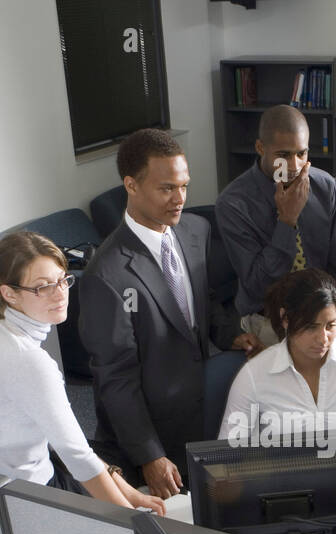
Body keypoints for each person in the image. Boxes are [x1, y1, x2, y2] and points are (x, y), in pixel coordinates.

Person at [0, 231, 164, 513]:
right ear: (9, 293)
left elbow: (65, 441)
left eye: (62, 280)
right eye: (42, 287)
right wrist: (136, 523)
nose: (60, 293)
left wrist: (132, 497)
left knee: (116, 468)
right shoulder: (28, 361)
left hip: (10, 478)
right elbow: (76, 455)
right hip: (23, 499)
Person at [79, 128, 240, 499]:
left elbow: (203, 299)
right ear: (131, 185)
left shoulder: (195, 231)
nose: (180, 199)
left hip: (201, 409)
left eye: (183, 186)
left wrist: (228, 333)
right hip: (148, 433)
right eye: (166, 188)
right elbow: (115, 379)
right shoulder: (106, 276)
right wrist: (150, 455)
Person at [218, 268, 336, 445]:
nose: (322, 339)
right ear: (285, 319)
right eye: (310, 327)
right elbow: (228, 452)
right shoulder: (254, 374)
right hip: (278, 478)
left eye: (330, 326)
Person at [216, 104, 336, 349]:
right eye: (283, 155)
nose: (294, 165)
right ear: (261, 148)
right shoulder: (233, 203)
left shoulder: (324, 185)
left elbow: (334, 265)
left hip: (320, 314)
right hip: (266, 318)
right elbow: (258, 285)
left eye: (302, 153)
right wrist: (287, 220)